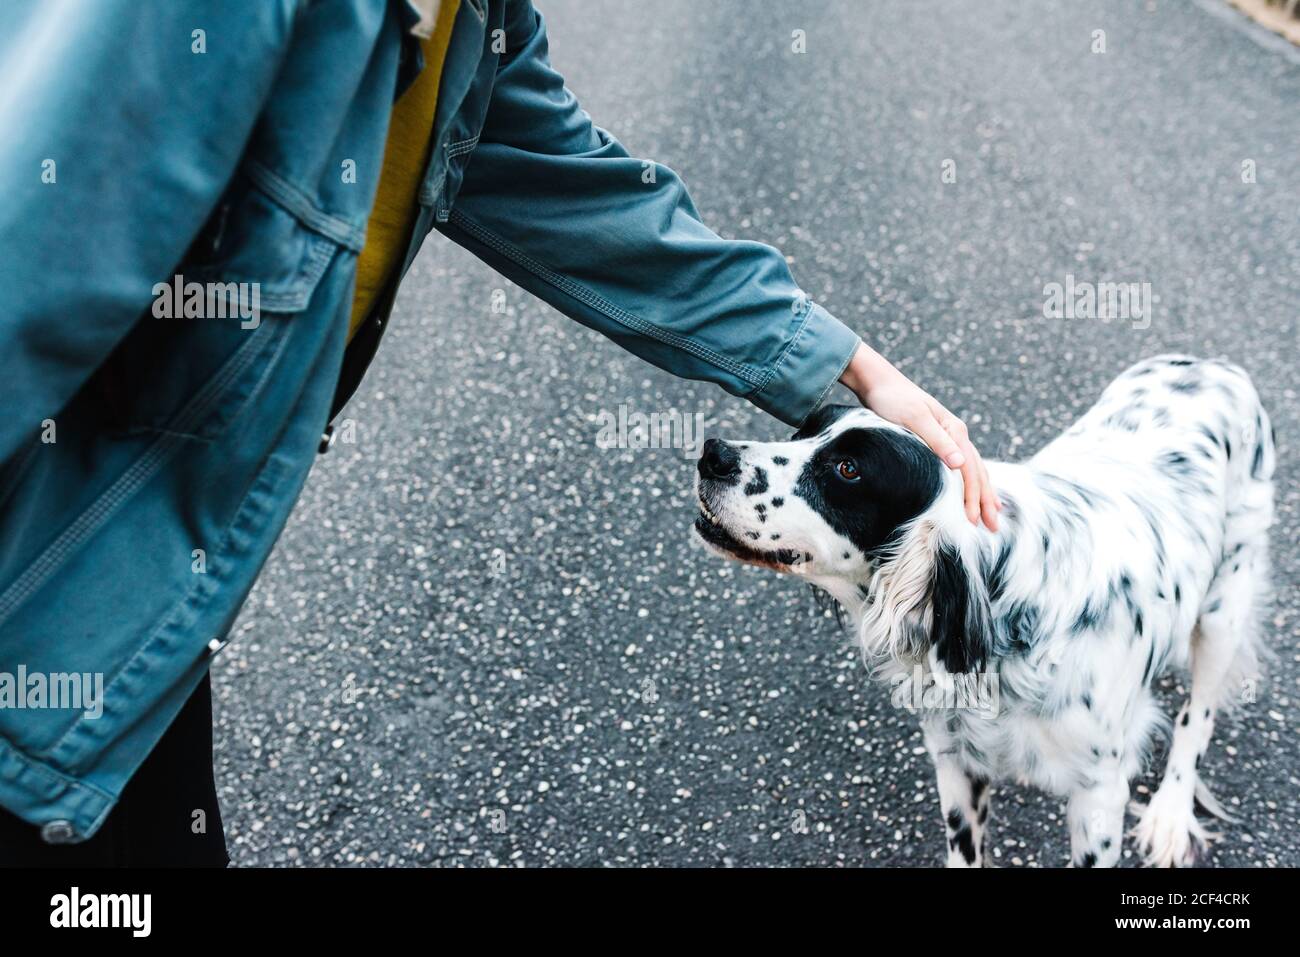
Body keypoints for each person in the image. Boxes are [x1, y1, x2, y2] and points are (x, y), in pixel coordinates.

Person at [0, 0, 997, 866]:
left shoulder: (469, 23)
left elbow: (572, 190)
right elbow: (36, 255)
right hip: (43, 572)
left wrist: (855, 371)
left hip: (136, 588)